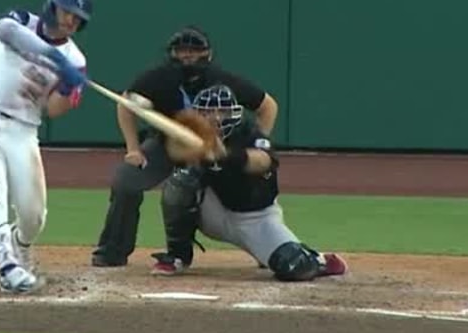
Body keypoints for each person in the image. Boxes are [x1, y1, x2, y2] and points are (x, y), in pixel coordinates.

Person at [91, 26, 278, 268]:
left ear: (207, 54)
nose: (187, 55)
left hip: (208, 149)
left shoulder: (222, 80)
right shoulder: (160, 78)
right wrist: (133, 149)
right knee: (126, 181)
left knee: (238, 190)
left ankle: (266, 247)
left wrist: (255, 141)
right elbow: (125, 105)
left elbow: (268, 106)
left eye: (193, 50)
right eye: (181, 50)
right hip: (166, 145)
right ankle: (114, 250)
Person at [0, 0, 92, 294]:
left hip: (22, 132)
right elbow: (7, 32)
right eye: (67, 11)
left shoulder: (76, 60)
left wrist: (69, 90)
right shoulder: (20, 20)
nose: (71, 20)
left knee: (34, 215)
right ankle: (7, 267)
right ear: (52, 6)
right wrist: (55, 59)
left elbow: (53, 109)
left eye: (78, 17)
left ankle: (20, 246)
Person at [155, 84, 347, 280]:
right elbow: (176, 160)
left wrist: (225, 155)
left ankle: (317, 260)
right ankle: (177, 255)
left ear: (234, 114)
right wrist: (192, 153)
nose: (214, 117)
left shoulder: (250, 134)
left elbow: (262, 161)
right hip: (215, 214)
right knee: (180, 181)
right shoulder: (194, 139)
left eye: (221, 111)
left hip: (257, 220)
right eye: (207, 111)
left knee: (293, 266)